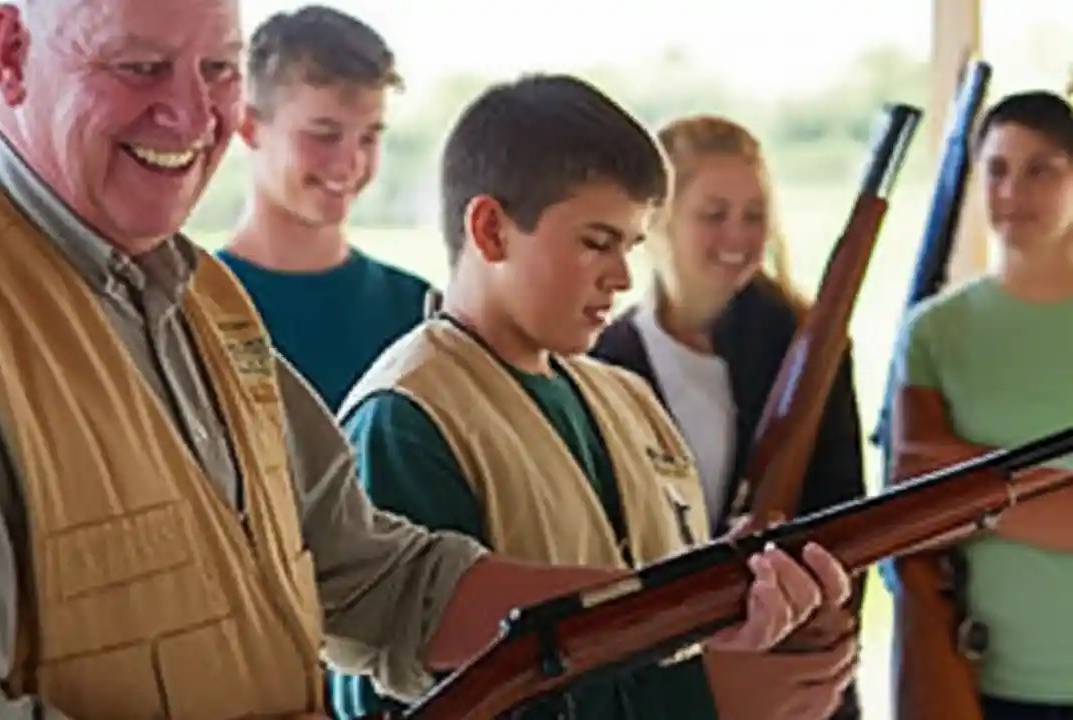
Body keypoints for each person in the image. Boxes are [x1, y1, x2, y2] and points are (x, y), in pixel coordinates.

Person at [0, 1, 849, 719]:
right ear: (9, 54)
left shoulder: (194, 295)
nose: (187, 112)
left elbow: (374, 575)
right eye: (136, 66)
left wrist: (691, 604)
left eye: (214, 69)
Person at [330, 75, 858, 720]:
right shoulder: (406, 418)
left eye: (632, 245)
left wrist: (764, 616)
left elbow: (667, 625)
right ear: (491, 229)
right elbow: (393, 699)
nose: (623, 276)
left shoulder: (627, 399)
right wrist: (701, 702)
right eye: (596, 242)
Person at [590, 115, 867, 718]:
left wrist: (812, 653)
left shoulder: (807, 345)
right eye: (713, 215)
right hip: (667, 681)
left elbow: (842, 513)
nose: (737, 236)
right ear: (660, 218)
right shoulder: (604, 361)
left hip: (800, 675)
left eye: (754, 214)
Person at [889, 90, 1073, 720]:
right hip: (976, 683)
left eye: (1039, 170)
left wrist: (970, 489)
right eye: (995, 168)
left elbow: (937, 487)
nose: (1011, 190)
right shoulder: (934, 331)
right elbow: (911, 489)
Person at [217, 6, 431, 411]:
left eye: (368, 138)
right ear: (248, 127)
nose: (350, 163)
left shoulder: (418, 312)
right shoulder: (193, 308)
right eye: (325, 135)